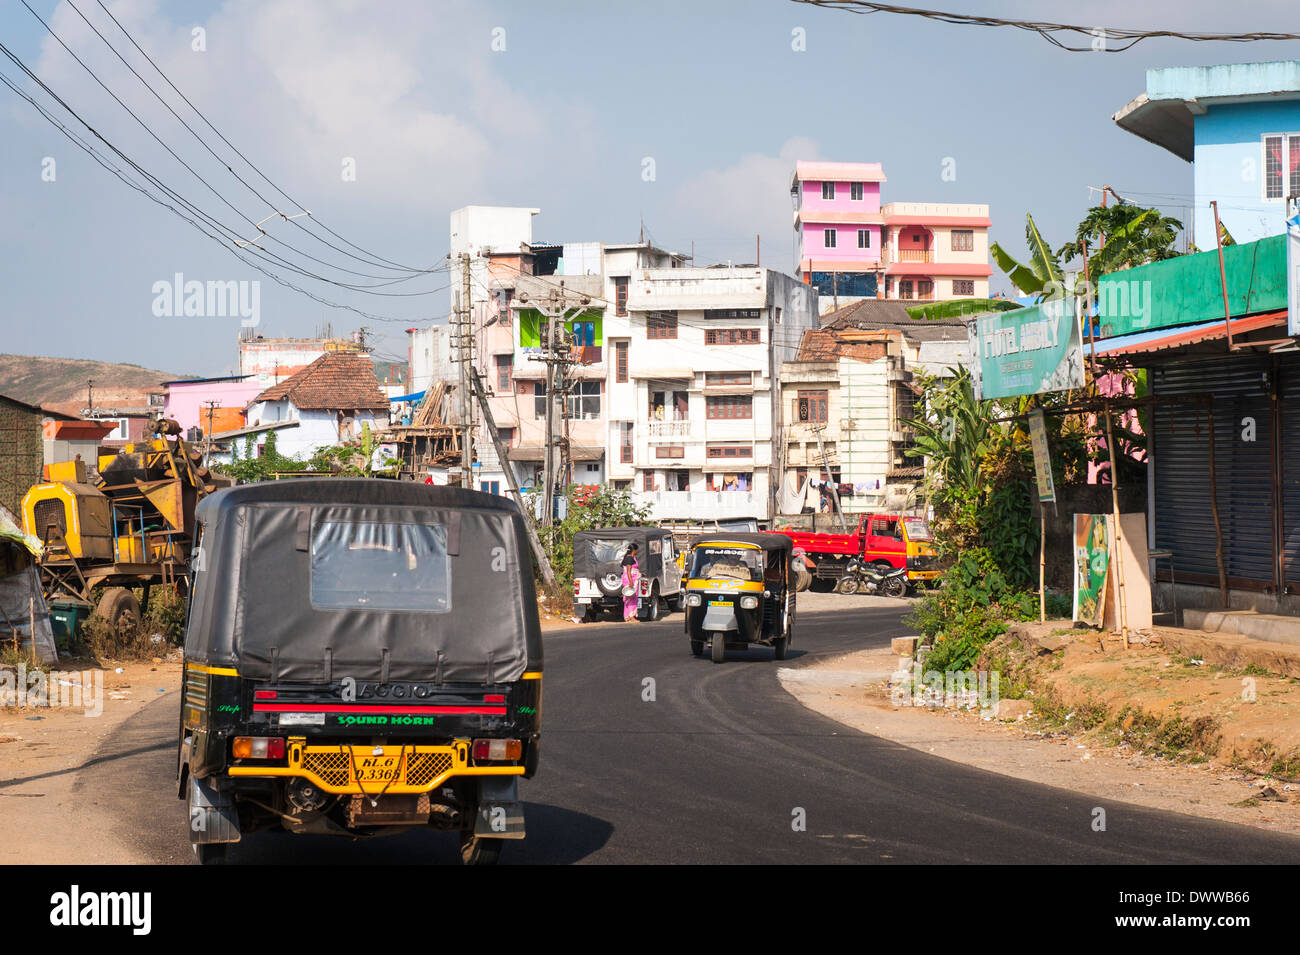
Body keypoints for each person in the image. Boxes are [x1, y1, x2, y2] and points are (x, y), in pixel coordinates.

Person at [621, 544, 641, 621]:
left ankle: (628, 617)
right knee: (631, 598)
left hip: (632, 579)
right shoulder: (629, 558)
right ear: (634, 550)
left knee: (630, 597)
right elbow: (628, 571)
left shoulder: (631, 557)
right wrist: (631, 582)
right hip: (630, 579)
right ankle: (631, 616)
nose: (637, 551)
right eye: (637, 550)